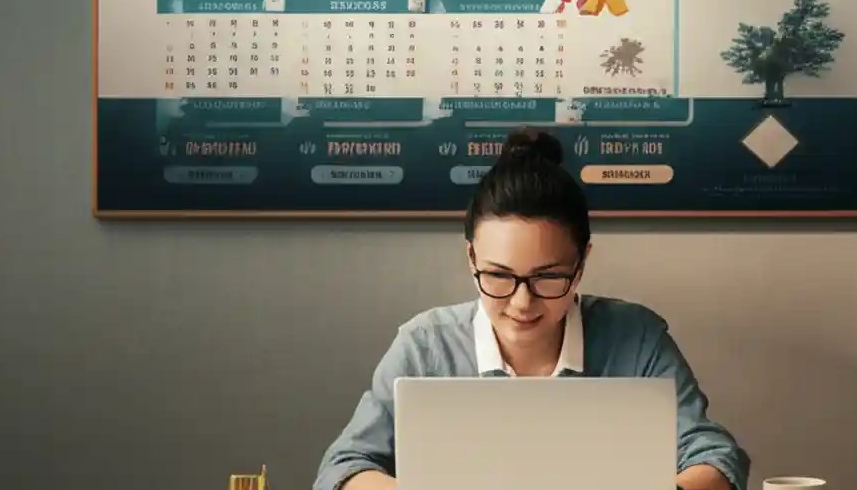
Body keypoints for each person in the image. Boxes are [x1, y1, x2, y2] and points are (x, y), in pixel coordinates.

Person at [312, 127, 750, 490]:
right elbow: (343, 467)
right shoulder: (426, 345)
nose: (522, 303)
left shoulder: (635, 338)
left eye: (548, 277)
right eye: (498, 276)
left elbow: (715, 457)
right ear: (471, 258)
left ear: (581, 263)